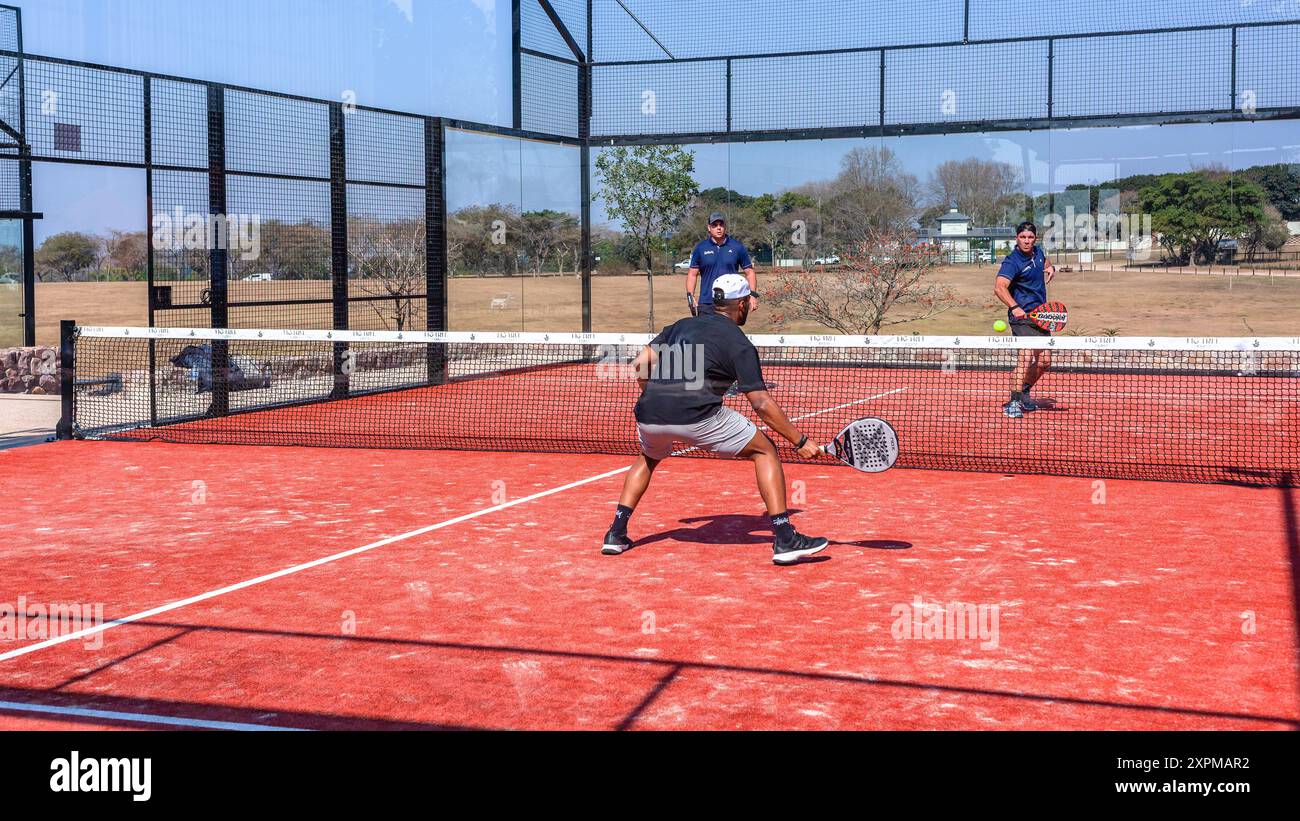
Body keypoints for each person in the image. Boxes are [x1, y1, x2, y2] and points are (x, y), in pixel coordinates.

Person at [602, 274, 829, 565]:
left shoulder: (681, 325)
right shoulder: (739, 343)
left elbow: (640, 362)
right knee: (765, 450)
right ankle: (785, 538)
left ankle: (615, 533)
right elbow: (761, 403)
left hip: (649, 413)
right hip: (699, 416)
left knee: (648, 458)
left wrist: (654, 395)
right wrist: (800, 441)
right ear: (743, 305)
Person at [994, 221, 1057, 419]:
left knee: (1045, 361)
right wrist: (1015, 307)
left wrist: (1051, 268)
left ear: (1035, 239)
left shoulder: (1038, 253)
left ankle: (1024, 391)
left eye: (1030, 237)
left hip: (1041, 317)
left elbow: (1045, 263)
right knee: (1026, 356)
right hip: (1020, 318)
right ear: (1017, 238)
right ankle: (1013, 402)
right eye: (1023, 237)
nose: (1027, 241)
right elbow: (999, 287)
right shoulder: (1012, 262)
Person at [685, 212, 758, 317]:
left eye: (721, 225)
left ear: (725, 227)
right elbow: (692, 274)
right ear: (709, 228)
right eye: (715, 225)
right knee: (706, 334)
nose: (718, 228)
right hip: (706, 303)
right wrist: (690, 297)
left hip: (730, 303)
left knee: (727, 333)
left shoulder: (737, 247)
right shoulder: (701, 248)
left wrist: (752, 295)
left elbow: (750, 273)